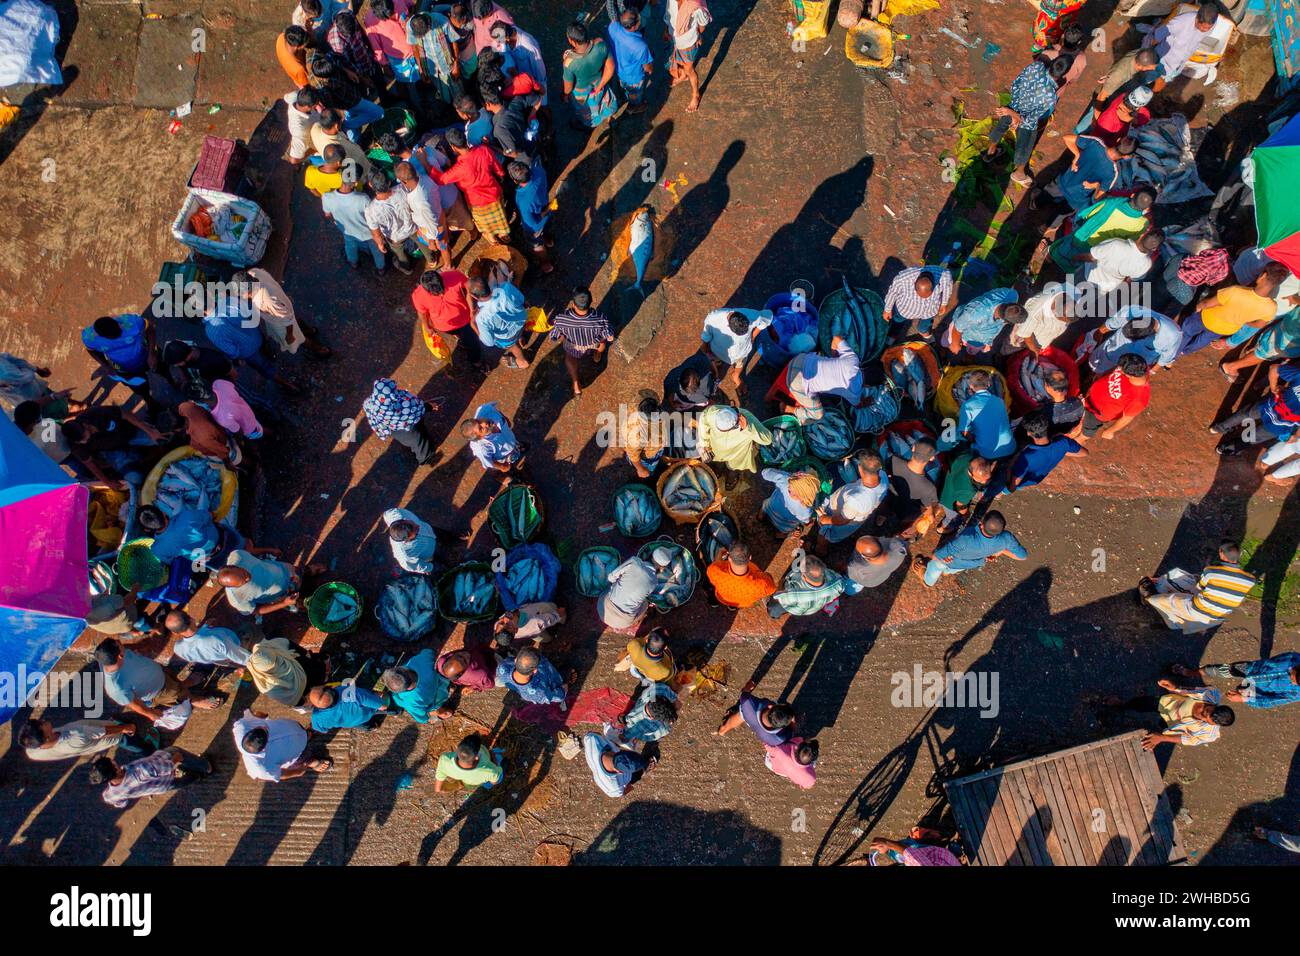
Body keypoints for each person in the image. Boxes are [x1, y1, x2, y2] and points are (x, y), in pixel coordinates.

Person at [984, 54, 1073, 186]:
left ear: (1053, 62)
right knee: (1025, 144)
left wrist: (1013, 111)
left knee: (1002, 123)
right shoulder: (1050, 96)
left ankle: (990, 152)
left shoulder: (1036, 66)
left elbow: (1015, 85)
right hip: (1023, 118)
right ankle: (1019, 173)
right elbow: (1031, 118)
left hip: (1015, 104)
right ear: (1064, 73)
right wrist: (1014, 115)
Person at [1138, 540, 1256, 634]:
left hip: (1197, 610)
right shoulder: (1251, 579)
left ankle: (1148, 599)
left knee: (1167, 600)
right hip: (1217, 618)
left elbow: (1199, 587)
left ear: (1221, 553)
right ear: (1239, 554)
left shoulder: (1211, 571)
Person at [95, 638, 221, 724]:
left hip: (158, 671)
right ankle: (196, 700)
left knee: (174, 680)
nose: (119, 641)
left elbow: (126, 648)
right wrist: (151, 714)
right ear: (119, 656)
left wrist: (138, 646)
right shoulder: (115, 687)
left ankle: (185, 683)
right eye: (118, 643)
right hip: (160, 691)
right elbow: (133, 704)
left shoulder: (107, 657)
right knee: (178, 694)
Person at [1177, 264, 1289, 358]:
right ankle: (1185, 351)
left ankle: (1176, 349)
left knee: (1187, 331)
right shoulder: (1272, 307)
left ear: (1263, 276)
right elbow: (1260, 324)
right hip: (1226, 329)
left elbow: (1207, 303)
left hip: (1205, 318)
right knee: (1203, 340)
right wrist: (1244, 321)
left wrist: (1198, 306)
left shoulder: (1236, 290)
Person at [427, 128, 511, 242]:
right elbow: (498, 169)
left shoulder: (459, 168)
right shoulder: (484, 150)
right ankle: (504, 235)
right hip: (494, 193)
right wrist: (501, 175)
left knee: (486, 227)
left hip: (477, 203)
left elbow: (441, 180)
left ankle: (493, 241)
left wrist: (425, 163)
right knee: (500, 217)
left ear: (453, 147)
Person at [1050, 188, 1156, 273]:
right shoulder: (1142, 224)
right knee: (1077, 262)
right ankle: (1062, 271)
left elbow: (1087, 214)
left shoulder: (1112, 202)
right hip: (1098, 248)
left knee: (1064, 250)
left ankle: (1050, 259)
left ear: (1132, 195)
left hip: (1084, 235)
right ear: (1147, 208)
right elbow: (1129, 242)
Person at [1105, 680, 1234, 749]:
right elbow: (1192, 690)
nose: (1201, 713)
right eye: (1206, 709)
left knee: (1159, 728)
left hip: (1172, 724)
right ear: (1215, 705)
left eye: (1205, 718)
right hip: (1167, 703)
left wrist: (1161, 738)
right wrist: (1175, 688)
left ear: (1214, 724)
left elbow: (1187, 739)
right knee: (1140, 703)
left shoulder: (1209, 734)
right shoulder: (1212, 694)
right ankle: (1123, 705)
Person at [917, 510, 1027, 587]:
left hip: (954, 558)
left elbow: (936, 556)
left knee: (938, 563)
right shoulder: (1006, 538)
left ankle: (928, 581)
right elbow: (1022, 556)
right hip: (973, 562)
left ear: (982, 524)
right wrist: (1002, 550)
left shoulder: (967, 538)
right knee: (955, 566)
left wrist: (939, 557)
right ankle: (948, 571)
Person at [411, 269, 485, 373]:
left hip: (465, 321)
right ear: (427, 290)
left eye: (441, 289)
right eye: (436, 293)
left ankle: (476, 361)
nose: (441, 294)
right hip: (443, 326)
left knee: (473, 343)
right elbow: (422, 312)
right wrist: (426, 325)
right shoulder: (417, 295)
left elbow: (468, 291)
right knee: (460, 336)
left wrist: (472, 310)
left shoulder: (455, 276)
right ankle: (460, 339)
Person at [92, 748, 213, 807]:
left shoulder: (110, 795)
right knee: (176, 752)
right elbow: (168, 766)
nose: (113, 760)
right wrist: (177, 758)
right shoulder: (142, 769)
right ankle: (206, 767)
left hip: (163, 786)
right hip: (165, 766)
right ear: (116, 770)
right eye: (111, 762)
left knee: (185, 781)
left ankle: (197, 777)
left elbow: (121, 803)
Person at [1173, 653, 1299, 709]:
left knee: (1236, 691)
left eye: (1296, 683)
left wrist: (1244, 699)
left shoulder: (1297, 694)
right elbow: (1273, 659)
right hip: (1250, 668)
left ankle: (1187, 692)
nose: (1293, 681)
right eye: (1295, 675)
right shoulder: (1294, 657)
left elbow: (1270, 702)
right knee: (1219, 669)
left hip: (1254, 689)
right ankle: (1190, 673)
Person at [779, 337, 863, 422]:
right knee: (818, 415)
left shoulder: (853, 358)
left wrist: (834, 356)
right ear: (868, 385)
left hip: (799, 359)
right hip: (795, 383)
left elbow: (836, 338)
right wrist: (866, 400)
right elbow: (858, 405)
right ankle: (789, 409)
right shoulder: (855, 392)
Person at [233, 708, 332, 781]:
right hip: (297, 755)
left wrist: (263, 716)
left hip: (293, 728)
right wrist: (299, 771)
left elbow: (255, 715)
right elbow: (280, 774)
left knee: (305, 733)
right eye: (266, 732)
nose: (265, 727)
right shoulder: (259, 768)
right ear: (263, 748)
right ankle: (311, 762)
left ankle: (308, 733)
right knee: (305, 759)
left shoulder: (241, 727)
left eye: (261, 728)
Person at [550, 288, 614, 396]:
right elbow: (610, 337)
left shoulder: (561, 319)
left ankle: (576, 383)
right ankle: (597, 355)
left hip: (573, 346)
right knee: (602, 342)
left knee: (570, 357)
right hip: (593, 344)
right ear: (590, 303)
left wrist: (558, 326)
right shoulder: (600, 318)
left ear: (574, 305)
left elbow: (553, 337)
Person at [817, 451, 888, 546]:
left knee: (827, 534)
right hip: (855, 512)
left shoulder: (856, 500)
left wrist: (824, 519)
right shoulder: (883, 476)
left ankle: (820, 549)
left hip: (840, 518)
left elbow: (843, 520)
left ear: (859, 468)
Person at [363, 378, 439, 465]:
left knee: (411, 441)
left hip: (393, 430)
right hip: (409, 431)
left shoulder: (370, 403)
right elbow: (415, 410)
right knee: (420, 443)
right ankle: (425, 458)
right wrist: (429, 406)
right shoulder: (402, 406)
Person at [1147, 1, 1222, 87]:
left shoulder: (1212, 23)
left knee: (1165, 80)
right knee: (1149, 80)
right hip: (1164, 59)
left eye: (1207, 28)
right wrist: (1149, 52)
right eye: (1202, 26)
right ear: (1197, 18)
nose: (1204, 30)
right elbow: (1158, 35)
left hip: (1180, 63)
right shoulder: (1180, 22)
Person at [1006, 410, 1086, 491]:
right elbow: (1084, 453)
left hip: (1022, 480)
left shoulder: (1026, 456)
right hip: (1035, 479)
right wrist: (1063, 451)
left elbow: (1012, 488)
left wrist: (1011, 462)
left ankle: (1002, 492)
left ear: (1028, 433)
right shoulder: (1063, 442)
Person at [1054, 134, 1136, 212]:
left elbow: (1067, 138)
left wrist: (1077, 154)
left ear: (1118, 139)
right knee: (1053, 221)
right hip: (1075, 200)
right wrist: (1097, 185)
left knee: (1043, 199)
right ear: (1126, 157)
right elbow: (1098, 197)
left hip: (1062, 182)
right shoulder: (1113, 173)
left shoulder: (1095, 142)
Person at [1079, 353, 1150, 442]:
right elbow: (1114, 369)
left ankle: (1076, 443)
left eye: (1121, 370)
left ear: (1129, 375)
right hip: (1090, 396)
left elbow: (1127, 417)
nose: (1118, 369)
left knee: (1086, 433)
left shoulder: (1139, 398)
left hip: (1096, 413)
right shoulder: (1139, 367)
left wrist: (1110, 431)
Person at [82, 313, 153, 402]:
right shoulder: (89, 337)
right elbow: (91, 350)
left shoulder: (133, 322)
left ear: (117, 323)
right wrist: (105, 365)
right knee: (140, 389)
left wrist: (151, 354)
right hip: (123, 369)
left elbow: (149, 327)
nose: (119, 336)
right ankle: (150, 402)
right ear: (102, 337)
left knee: (163, 369)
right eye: (113, 337)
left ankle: (172, 382)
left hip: (145, 355)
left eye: (118, 331)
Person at [700, 307, 773, 391]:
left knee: (739, 364)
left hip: (740, 353)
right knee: (715, 365)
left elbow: (767, 317)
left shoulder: (753, 316)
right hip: (717, 351)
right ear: (728, 325)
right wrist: (705, 347)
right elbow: (706, 335)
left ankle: (735, 376)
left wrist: (753, 336)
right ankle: (717, 370)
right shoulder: (714, 317)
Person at [321, 176, 384, 270]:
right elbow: (372, 216)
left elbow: (327, 214)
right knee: (376, 250)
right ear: (355, 183)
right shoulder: (363, 198)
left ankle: (353, 263)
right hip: (368, 233)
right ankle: (381, 268)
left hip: (347, 231)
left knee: (350, 247)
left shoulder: (327, 197)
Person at [20, 717, 150, 763]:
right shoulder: (76, 734)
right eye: (41, 724)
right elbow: (104, 732)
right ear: (46, 738)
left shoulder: (32, 752)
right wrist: (125, 728)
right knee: (131, 742)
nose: (42, 720)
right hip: (112, 736)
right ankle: (149, 750)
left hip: (89, 740)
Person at [467, 274, 530, 369]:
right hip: (521, 320)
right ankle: (521, 338)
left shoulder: (481, 318)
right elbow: (522, 300)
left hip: (508, 337)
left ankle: (522, 361)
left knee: (512, 346)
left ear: (474, 297)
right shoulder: (506, 287)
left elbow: (489, 342)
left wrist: (473, 325)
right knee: (518, 332)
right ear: (487, 284)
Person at [218, 548, 304, 616]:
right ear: (232, 587)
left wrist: (269, 550)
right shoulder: (237, 599)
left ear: (235, 566)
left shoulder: (237, 555)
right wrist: (284, 603)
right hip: (280, 596)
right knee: (301, 604)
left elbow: (251, 551)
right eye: (243, 582)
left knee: (300, 572)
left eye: (244, 573)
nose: (247, 578)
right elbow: (256, 610)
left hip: (283, 569)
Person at [364, 171, 419, 275]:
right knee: (421, 242)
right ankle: (431, 259)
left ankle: (407, 268)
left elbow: (376, 233)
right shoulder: (402, 188)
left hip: (395, 236)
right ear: (389, 182)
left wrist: (380, 244)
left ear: (371, 185)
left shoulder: (370, 210)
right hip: (412, 227)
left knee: (399, 251)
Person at [693, 404, 773, 475]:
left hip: (736, 452)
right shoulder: (713, 413)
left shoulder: (749, 420)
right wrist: (705, 445)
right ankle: (719, 467)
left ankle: (732, 473)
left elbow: (767, 439)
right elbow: (703, 420)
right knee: (716, 460)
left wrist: (748, 428)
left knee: (733, 466)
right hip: (716, 449)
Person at [1076, 231, 1163, 295]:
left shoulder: (1117, 244)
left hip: (1086, 275)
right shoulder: (1147, 264)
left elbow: (1090, 257)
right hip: (1104, 288)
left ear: (1142, 235)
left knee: (1068, 294)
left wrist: (1073, 258)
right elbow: (1130, 280)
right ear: (1154, 249)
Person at [886, 439, 941, 539]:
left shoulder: (894, 460)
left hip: (889, 501)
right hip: (907, 512)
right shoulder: (929, 487)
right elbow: (928, 510)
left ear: (913, 448)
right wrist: (931, 516)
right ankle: (903, 530)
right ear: (932, 458)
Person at [955, 369, 1016, 460]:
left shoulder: (967, 405)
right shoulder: (1000, 401)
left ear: (970, 386)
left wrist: (974, 440)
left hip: (987, 454)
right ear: (988, 385)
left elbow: (964, 432)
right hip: (1010, 449)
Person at [139, 504, 224, 568]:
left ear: (147, 530)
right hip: (220, 538)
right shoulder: (186, 516)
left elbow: (173, 562)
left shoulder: (156, 550)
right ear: (163, 512)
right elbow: (211, 515)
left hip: (204, 561)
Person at [945, 288, 1026, 355]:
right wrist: (954, 345)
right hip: (963, 333)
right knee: (945, 342)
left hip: (983, 338)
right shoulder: (974, 314)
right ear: (1005, 321)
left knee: (973, 352)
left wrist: (988, 341)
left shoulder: (1011, 295)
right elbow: (957, 329)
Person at [882, 266, 955, 339]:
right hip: (904, 309)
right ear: (915, 283)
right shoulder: (903, 278)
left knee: (923, 328)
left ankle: (927, 337)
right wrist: (887, 309)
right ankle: (892, 336)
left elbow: (947, 289)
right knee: (897, 323)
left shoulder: (945, 276)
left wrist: (944, 304)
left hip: (929, 311)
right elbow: (893, 292)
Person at [664, 0, 711, 112]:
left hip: (688, 44)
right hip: (674, 39)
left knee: (689, 69)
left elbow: (703, 23)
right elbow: (668, 13)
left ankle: (695, 95)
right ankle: (683, 75)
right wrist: (666, 30)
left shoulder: (695, 5)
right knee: (677, 61)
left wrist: (698, 35)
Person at [408, 9, 461, 105]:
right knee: (443, 94)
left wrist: (456, 64)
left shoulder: (441, 20)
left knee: (458, 92)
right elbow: (415, 47)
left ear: (429, 26)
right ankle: (449, 107)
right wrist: (420, 68)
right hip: (431, 68)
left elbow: (454, 41)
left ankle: (460, 107)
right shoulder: (410, 26)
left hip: (448, 65)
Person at [768, 553, 847, 618]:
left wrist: (781, 584)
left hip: (797, 607)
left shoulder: (791, 595)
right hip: (813, 608)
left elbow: (778, 597)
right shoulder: (838, 583)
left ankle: (774, 615)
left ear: (804, 577)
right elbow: (840, 583)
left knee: (774, 608)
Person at [384, 647, 452, 722]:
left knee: (431, 710)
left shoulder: (412, 702)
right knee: (442, 681)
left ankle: (438, 712)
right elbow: (429, 652)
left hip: (434, 698)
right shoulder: (418, 662)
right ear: (403, 669)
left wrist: (427, 718)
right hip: (440, 681)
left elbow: (421, 718)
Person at [716, 680, 795, 745]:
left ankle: (723, 730)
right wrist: (793, 721)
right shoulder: (778, 739)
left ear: (771, 706)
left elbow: (745, 692)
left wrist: (749, 686)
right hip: (765, 735)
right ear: (782, 727)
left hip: (749, 715)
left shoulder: (747, 703)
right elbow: (792, 730)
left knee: (741, 715)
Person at [165, 610, 250, 668]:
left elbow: (196, 643)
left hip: (218, 659)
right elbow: (242, 657)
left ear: (174, 633)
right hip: (236, 644)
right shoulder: (216, 638)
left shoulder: (177, 648)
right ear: (192, 619)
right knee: (250, 629)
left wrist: (205, 627)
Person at [705, 542, 777, 609]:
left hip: (723, 597)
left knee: (714, 594)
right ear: (750, 558)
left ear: (729, 559)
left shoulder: (715, 571)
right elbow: (772, 589)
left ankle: (717, 604)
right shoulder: (763, 584)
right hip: (742, 603)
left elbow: (714, 565)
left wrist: (719, 554)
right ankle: (732, 607)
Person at [490, 20, 547, 104]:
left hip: (532, 82)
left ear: (506, 38)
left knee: (541, 106)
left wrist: (541, 91)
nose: (497, 43)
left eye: (498, 41)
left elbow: (540, 71)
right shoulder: (508, 36)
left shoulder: (529, 46)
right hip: (518, 79)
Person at [599, 554, 658, 633]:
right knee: (645, 603)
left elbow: (610, 578)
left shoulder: (634, 561)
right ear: (661, 567)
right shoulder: (654, 582)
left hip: (602, 610)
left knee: (612, 585)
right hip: (623, 623)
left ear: (649, 555)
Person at [608, 8, 653, 111]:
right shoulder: (640, 46)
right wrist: (651, 69)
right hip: (633, 78)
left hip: (619, 71)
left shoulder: (613, 27)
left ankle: (622, 97)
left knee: (623, 87)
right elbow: (647, 67)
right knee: (634, 94)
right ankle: (634, 107)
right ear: (634, 26)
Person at [462, 400, 525, 475]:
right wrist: (502, 467)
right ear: (480, 437)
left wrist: (506, 420)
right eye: (481, 428)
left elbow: (495, 411)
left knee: (516, 445)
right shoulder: (481, 449)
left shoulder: (485, 410)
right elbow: (489, 462)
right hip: (504, 457)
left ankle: (518, 448)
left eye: (478, 421)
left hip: (511, 440)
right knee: (511, 470)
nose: (484, 423)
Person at [584, 733, 655, 797]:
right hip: (627, 779)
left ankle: (644, 764)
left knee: (639, 764)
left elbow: (591, 734)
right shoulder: (612, 788)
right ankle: (644, 768)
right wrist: (629, 785)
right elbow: (623, 792)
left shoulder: (592, 740)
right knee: (637, 774)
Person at [1012, 285, 1077, 352]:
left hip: (1039, 341)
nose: (1065, 323)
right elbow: (1025, 334)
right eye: (1063, 320)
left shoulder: (1068, 299)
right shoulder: (1037, 308)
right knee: (1010, 348)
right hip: (1022, 339)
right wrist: (1034, 351)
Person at [496, 647, 569, 706]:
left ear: (515, 660)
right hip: (553, 678)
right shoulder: (539, 692)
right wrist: (564, 687)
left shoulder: (503, 667)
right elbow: (560, 696)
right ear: (535, 671)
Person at [760, 467, 820, 535]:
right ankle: (779, 535)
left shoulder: (785, 480)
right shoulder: (806, 510)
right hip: (785, 524)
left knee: (764, 505)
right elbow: (805, 521)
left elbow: (765, 473)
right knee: (785, 530)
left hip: (771, 507)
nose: (789, 488)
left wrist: (786, 475)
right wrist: (809, 522)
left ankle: (760, 517)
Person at [435, 734, 505, 792]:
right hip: (477, 781)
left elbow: (439, 779)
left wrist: (438, 789)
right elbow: (494, 781)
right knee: (496, 777)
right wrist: (493, 757)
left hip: (468, 783)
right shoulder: (490, 770)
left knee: (469, 784)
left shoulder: (445, 759)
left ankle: (461, 784)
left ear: (457, 749)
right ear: (476, 757)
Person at [308, 682, 389, 732]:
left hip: (351, 723)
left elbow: (322, 730)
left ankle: (371, 727)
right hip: (366, 714)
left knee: (363, 726)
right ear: (330, 688)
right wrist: (378, 696)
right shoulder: (353, 694)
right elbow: (383, 706)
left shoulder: (316, 718)